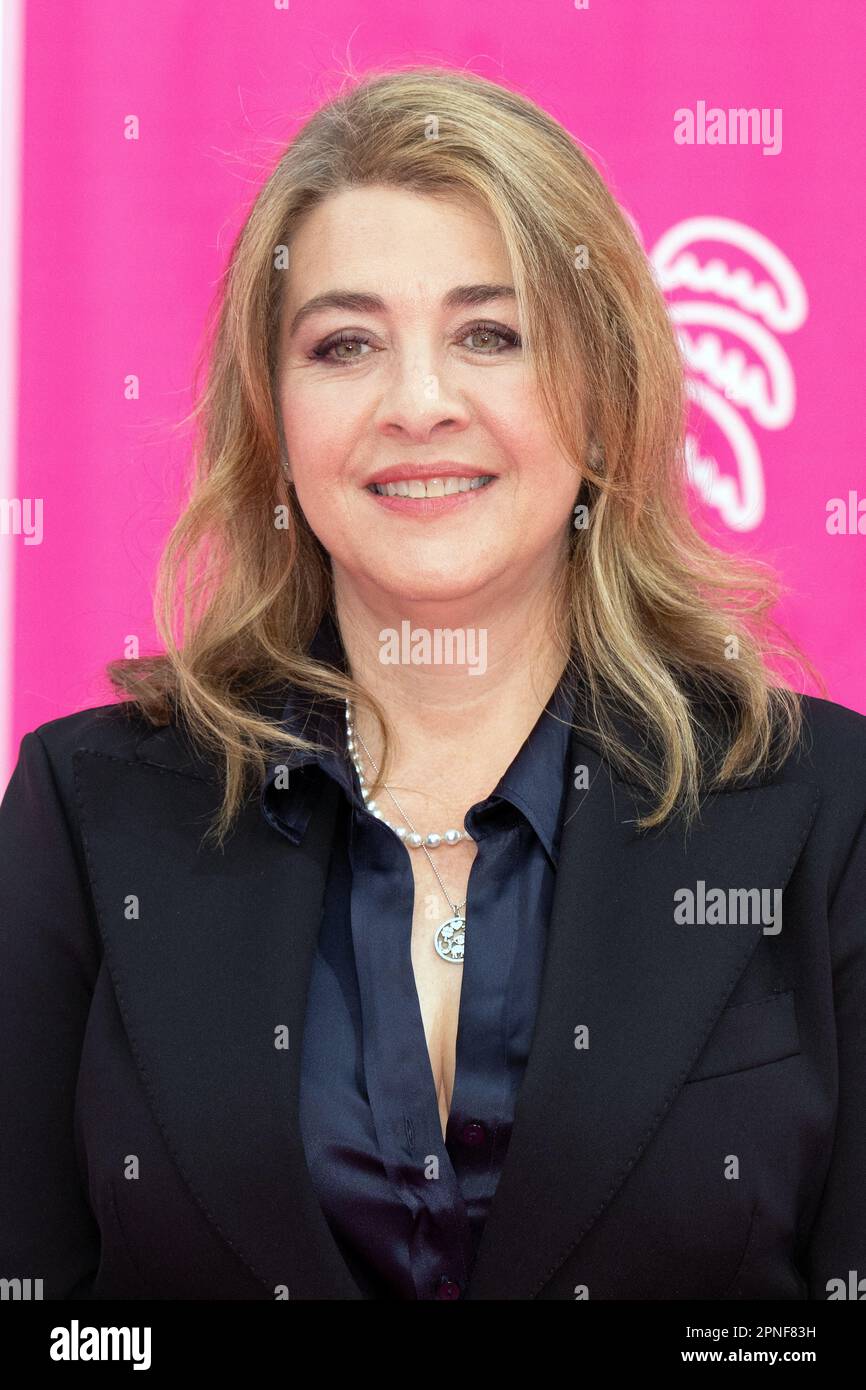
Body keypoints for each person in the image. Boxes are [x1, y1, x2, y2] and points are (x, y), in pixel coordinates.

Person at [1, 65, 865, 1302]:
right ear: (275, 420)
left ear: (606, 398)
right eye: (344, 343)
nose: (417, 403)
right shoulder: (86, 814)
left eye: (489, 334)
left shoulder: (824, 813)